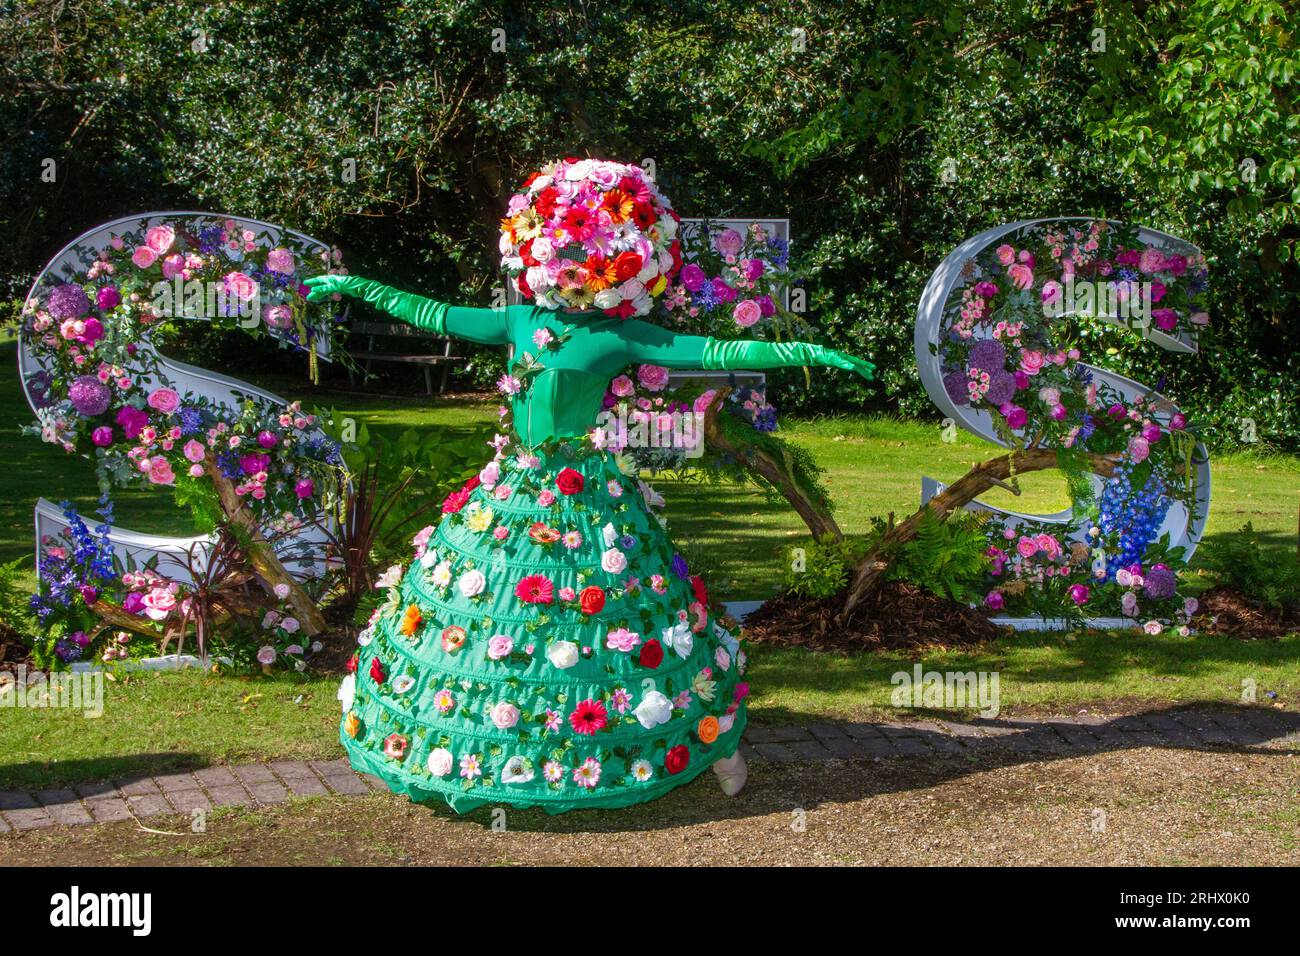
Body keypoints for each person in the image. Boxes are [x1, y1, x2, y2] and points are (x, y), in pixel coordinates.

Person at [307, 157, 873, 814]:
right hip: (511, 491)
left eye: (592, 259)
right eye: (569, 256)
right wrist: (354, 284)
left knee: (624, 622)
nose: (577, 270)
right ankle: (502, 756)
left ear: (623, 265)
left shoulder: (619, 334)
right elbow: (432, 312)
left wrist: (807, 352)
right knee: (498, 622)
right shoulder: (518, 321)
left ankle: (715, 748)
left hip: (586, 495)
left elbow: (715, 353)